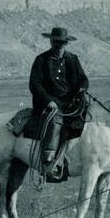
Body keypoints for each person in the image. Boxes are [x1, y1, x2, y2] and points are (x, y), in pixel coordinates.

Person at [29, 26, 89, 182]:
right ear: (51, 41)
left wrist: (82, 90)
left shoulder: (72, 59)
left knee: (89, 117)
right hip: (49, 103)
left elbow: (83, 79)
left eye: (62, 43)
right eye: (56, 42)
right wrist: (48, 101)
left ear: (66, 43)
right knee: (56, 121)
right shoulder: (41, 60)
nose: (59, 45)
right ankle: (49, 163)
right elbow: (34, 84)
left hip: (69, 102)